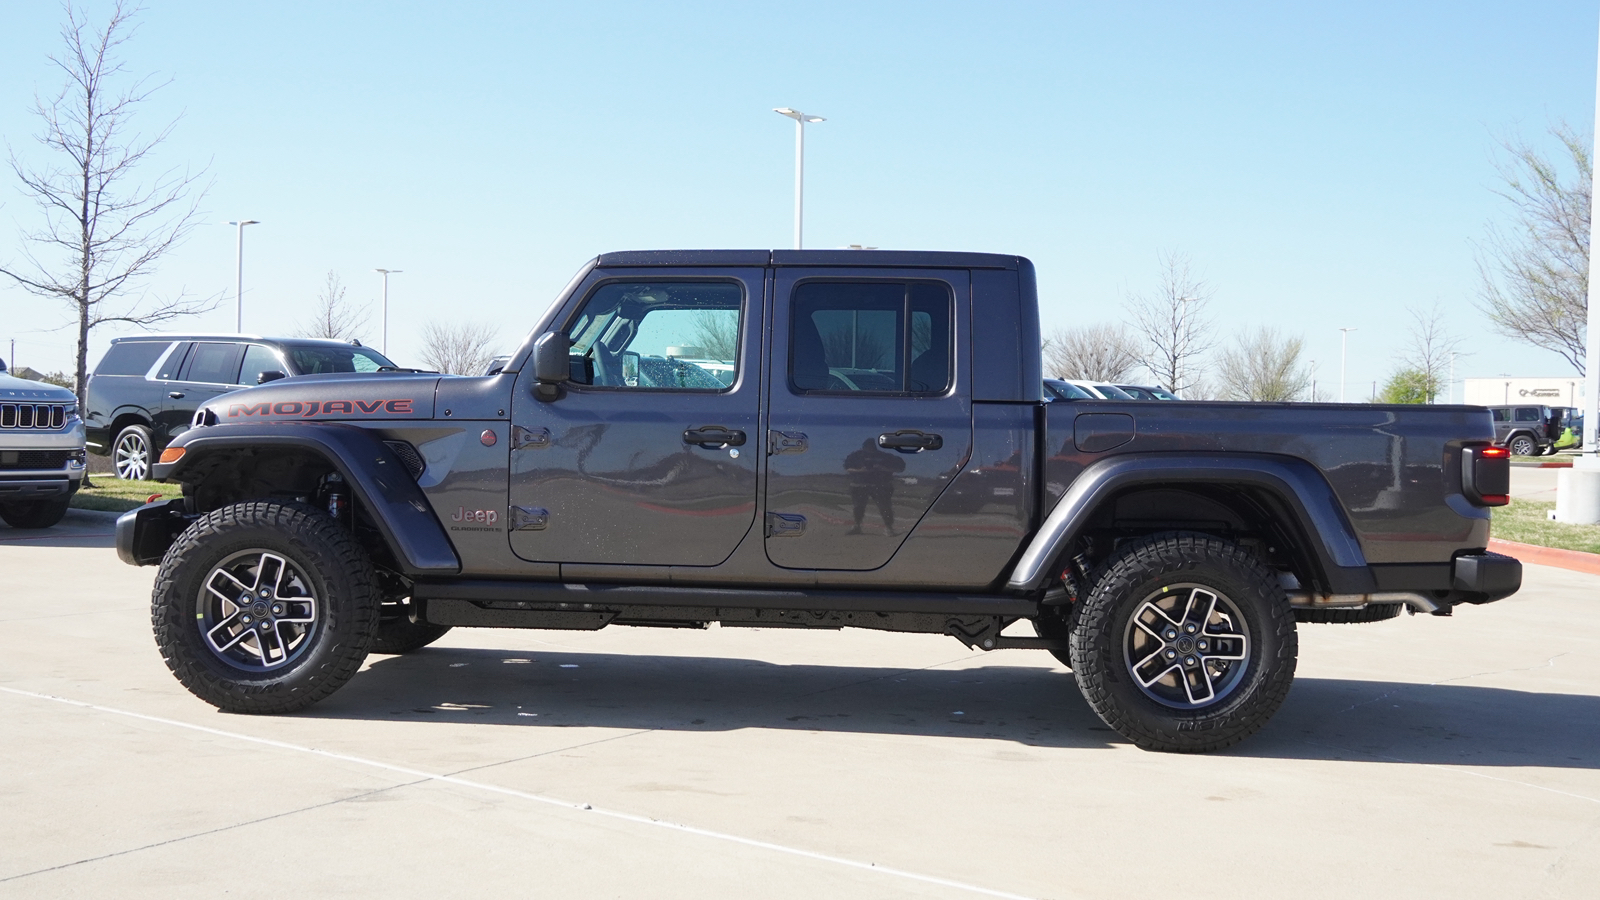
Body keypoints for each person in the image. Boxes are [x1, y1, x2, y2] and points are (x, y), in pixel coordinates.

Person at [843, 437, 905, 535]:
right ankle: (857, 526)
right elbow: (847, 468)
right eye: (867, 447)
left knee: (884, 507)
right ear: (864, 447)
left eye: (872, 447)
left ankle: (889, 528)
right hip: (860, 485)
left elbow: (900, 468)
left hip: (880, 485)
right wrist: (861, 470)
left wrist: (883, 468)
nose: (869, 449)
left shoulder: (884, 457)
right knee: (858, 507)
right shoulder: (856, 456)